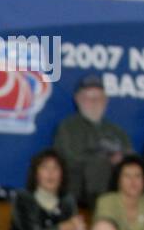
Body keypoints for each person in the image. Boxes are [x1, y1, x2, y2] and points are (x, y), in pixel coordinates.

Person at [7, 149, 87, 230]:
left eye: (55, 168)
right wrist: (62, 228)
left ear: (62, 174)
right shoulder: (23, 198)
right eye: (45, 168)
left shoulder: (68, 201)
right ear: (36, 173)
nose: (51, 173)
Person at [53, 75, 133, 210]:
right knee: (98, 165)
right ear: (78, 100)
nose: (94, 102)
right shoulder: (68, 128)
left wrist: (122, 160)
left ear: (106, 100)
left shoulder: (116, 131)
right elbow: (69, 160)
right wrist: (107, 158)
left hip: (117, 189)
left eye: (98, 98)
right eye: (88, 98)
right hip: (79, 191)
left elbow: (131, 158)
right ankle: (101, 212)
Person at [93, 155, 144, 230]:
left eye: (138, 176)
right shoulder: (106, 202)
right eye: (127, 176)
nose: (133, 181)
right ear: (118, 180)